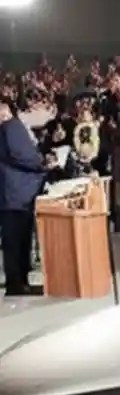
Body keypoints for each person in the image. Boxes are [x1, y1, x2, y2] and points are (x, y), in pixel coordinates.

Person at [0, 98, 46, 296]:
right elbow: (20, 155)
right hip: (16, 193)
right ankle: (16, 283)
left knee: (18, 240)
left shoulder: (9, 128)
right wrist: (41, 163)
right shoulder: (10, 128)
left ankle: (19, 280)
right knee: (16, 240)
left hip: (14, 193)